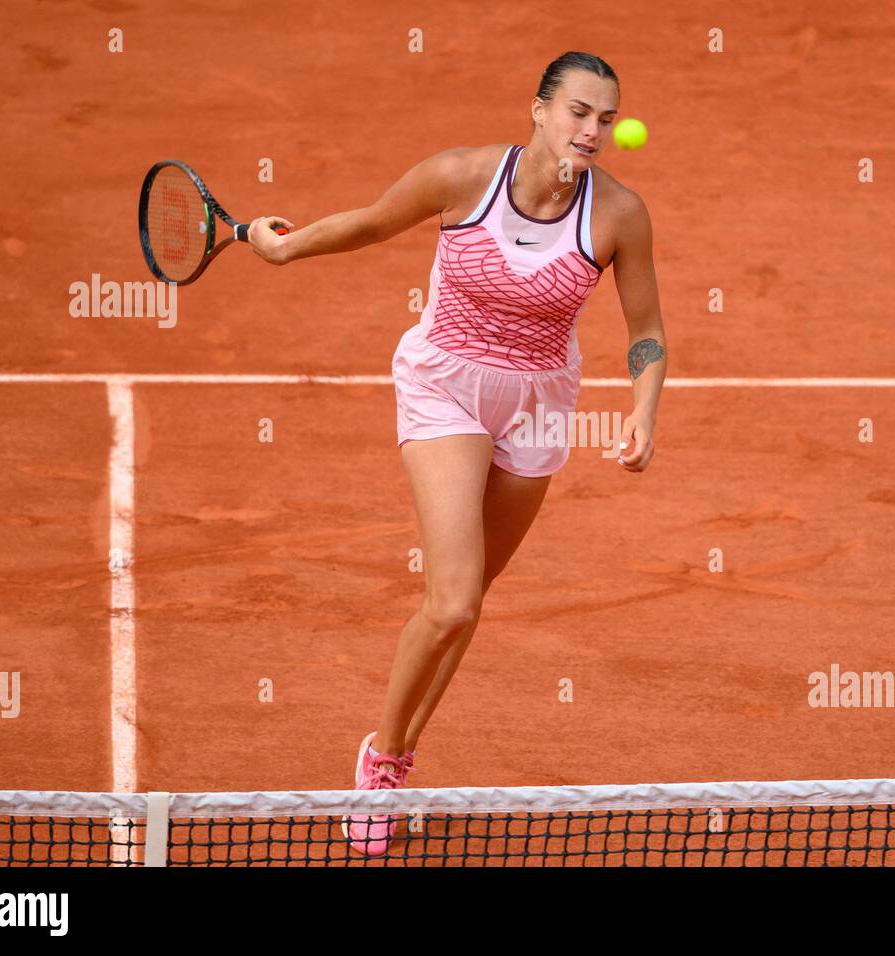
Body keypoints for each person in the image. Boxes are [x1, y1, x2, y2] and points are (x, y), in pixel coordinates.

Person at [245, 51, 667, 855]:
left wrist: (645, 407)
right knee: (452, 601)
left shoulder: (618, 215)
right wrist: (285, 248)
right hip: (447, 384)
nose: (592, 131)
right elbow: (371, 222)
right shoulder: (463, 177)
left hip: (539, 408)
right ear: (539, 110)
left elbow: (645, 331)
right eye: (579, 112)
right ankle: (380, 761)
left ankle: (399, 756)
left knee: (469, 603)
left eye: (606, 120)